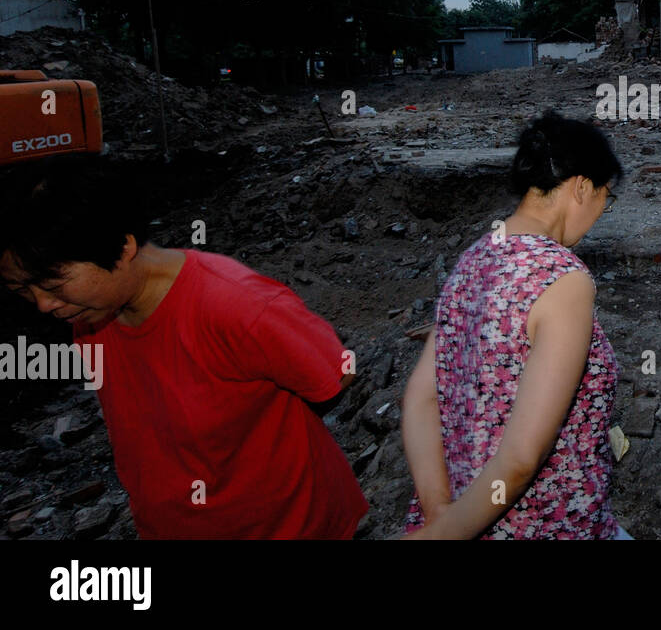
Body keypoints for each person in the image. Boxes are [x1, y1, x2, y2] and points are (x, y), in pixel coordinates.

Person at [0, 154, 367, 539]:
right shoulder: (90, 317)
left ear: (122, 246)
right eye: (23, 290)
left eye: (53, 286)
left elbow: (337, 372)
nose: (43, 304)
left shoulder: (237, 306)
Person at [401, 109, 628, 539]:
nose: (602, 211)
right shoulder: (564, 279)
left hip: (464, 515)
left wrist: (439, 511)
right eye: (605, 197)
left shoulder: (473, 259)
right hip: (547, 527)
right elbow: (522, 459)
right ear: (581, 187)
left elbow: (419, 399)